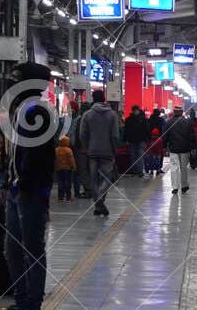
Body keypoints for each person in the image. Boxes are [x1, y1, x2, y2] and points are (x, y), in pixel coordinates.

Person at [0, 63, 57, 310]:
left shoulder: (39, 110)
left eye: (16, 79)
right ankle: (20, 302)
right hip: (17, 188)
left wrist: (29, 184)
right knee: (13, 249)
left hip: (31, 192)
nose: (11, 84)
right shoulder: (20, 109)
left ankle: (32, 307)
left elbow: (39, 157)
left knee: (31, 250)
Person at [75, 89, 121, 218]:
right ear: (104, 98)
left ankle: (98, 204)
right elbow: (115, 135)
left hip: (92, 152)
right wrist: (114, 148)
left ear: (93, 99)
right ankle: (100, 200)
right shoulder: (112, 115)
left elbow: (82, 134)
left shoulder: (87, 115)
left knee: (94, 179)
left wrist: (88, 147)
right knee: (106, 178)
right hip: (107, 152)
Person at [163, 107, 197, 194]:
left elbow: (165, 136)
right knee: (184, 168)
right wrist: (193, 147)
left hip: (173, 149)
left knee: (174, 168)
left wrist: (164, 147)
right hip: (185, 149)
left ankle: (175, 187)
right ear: (182, 112)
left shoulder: (169, 122)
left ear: (174, 112)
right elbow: (192, 136)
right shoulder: (187, 122)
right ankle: (184, 186)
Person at [124, 106, 150, 176]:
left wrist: (125, 139)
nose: (135, 111)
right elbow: (126, 130)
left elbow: (126, 131)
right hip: (136, 140)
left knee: (136, 155)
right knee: (137, 155)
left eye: (136, 110)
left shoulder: (129, 119)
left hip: (137, 140)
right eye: (134, 110)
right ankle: (138, 171)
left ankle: (137, 171)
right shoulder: (142, 119)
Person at [55, 133, 77, 201]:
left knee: (60, 182)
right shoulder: (68, 150)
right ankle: (68, 197)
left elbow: (54, 160)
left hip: (59, 169)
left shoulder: (56, 150)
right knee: (68, 183)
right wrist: (74, 167)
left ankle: (60, 197)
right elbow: (71, 160)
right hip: (68, 169)